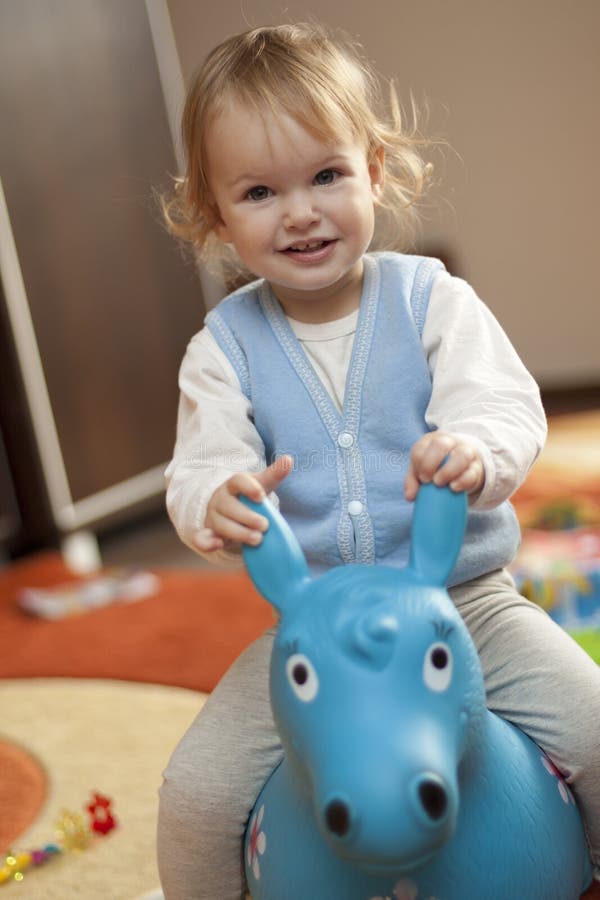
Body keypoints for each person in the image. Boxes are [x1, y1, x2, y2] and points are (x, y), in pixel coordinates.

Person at [157, 22, 600, 900]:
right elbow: (197, 468)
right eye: (259, 192)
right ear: (214, 216)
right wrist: (219, 497)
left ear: (376, 169)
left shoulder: (434, 298)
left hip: (465, 608)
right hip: (313, 635)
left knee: (595, 730)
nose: (302, 212)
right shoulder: (222, 347)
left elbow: (504, 403)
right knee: (196, 793)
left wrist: (475, 448)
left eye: (327, 175)